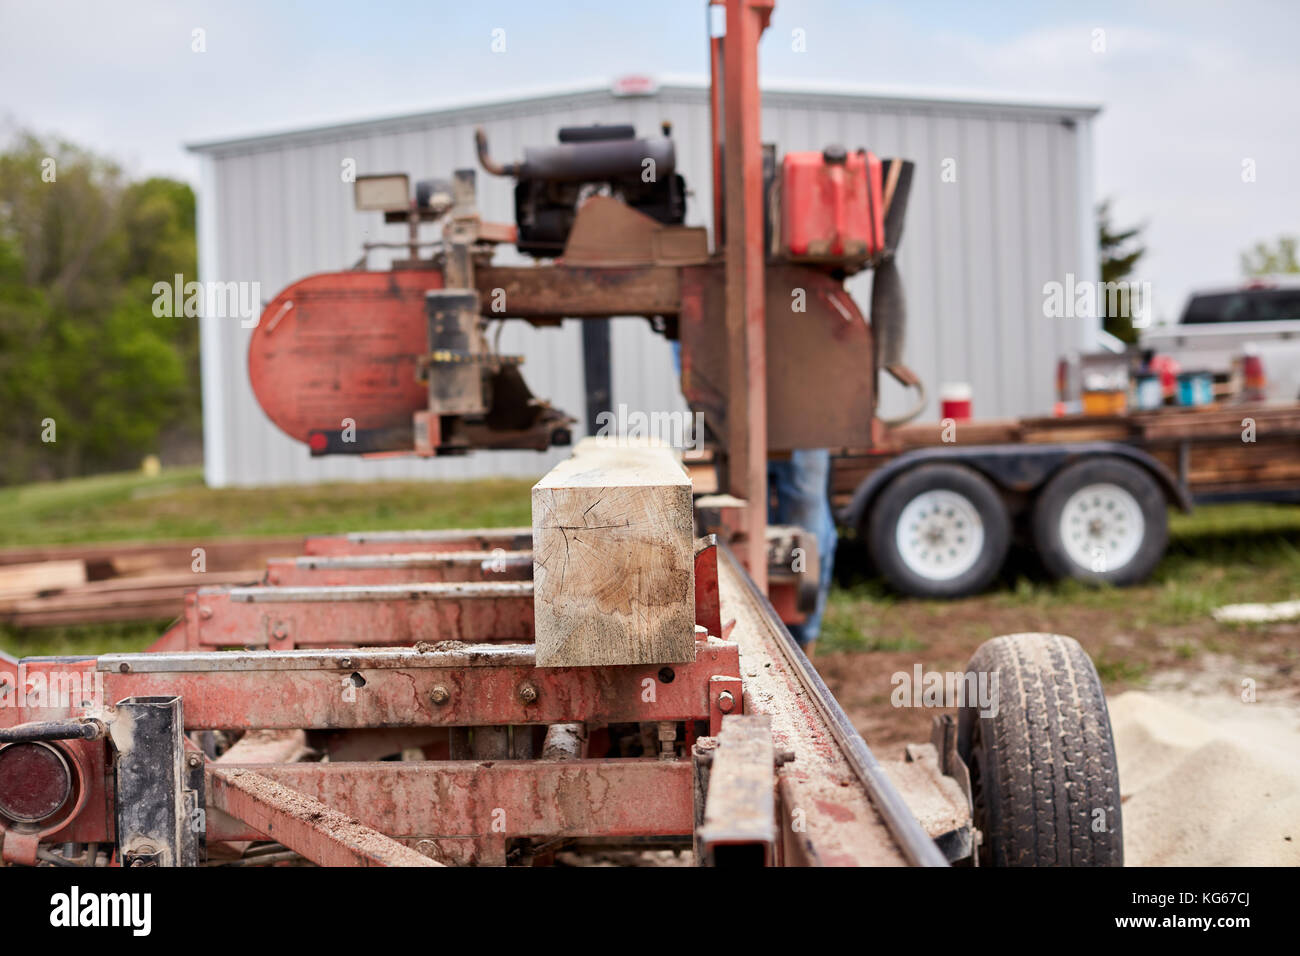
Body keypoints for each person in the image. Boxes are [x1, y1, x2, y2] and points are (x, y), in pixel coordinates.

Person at [669, 342, 834, 653]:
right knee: (741, 514)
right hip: (727, 405)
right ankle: (754, 637)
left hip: (804, 392)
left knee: (807, 524)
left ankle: (804, 642)